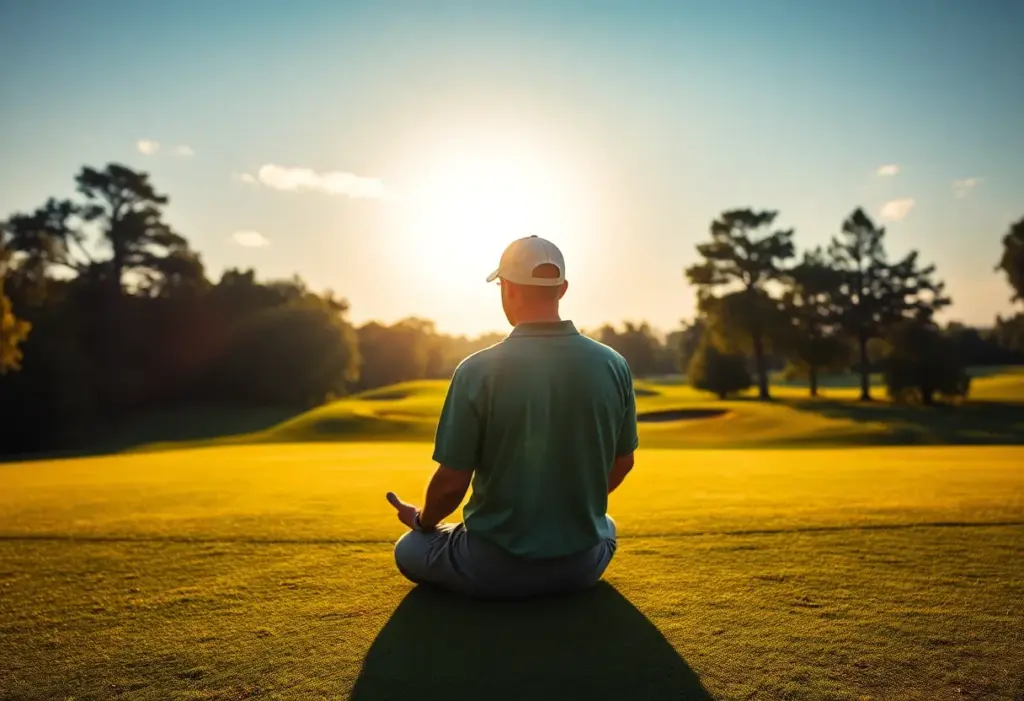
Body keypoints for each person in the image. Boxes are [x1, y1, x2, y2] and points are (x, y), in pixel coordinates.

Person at [386, 235, 639, 598]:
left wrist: (422, 521)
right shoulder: (615, 364)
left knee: (408, 548)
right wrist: (571, 509)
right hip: (581, 566)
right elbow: (623, 462)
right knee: (607, 525)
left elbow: (451, 483)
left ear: (506, 288)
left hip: (493, 568)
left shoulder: (476, 370)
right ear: (562, 289)